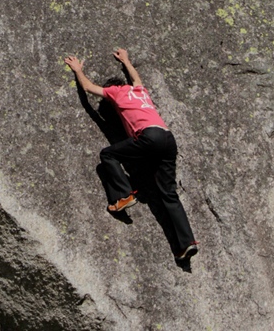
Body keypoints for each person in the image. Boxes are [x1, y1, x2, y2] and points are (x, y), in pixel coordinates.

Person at [64, 47, 198, 264]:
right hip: (167, 139)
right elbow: (136, 77)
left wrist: (77, 69)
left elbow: (89, 88)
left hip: (150, 137)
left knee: (108, 155)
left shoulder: (116, 92)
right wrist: (125, 60)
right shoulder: (139, 91)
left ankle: (124, 195)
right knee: (168, 194)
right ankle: (187, 242)